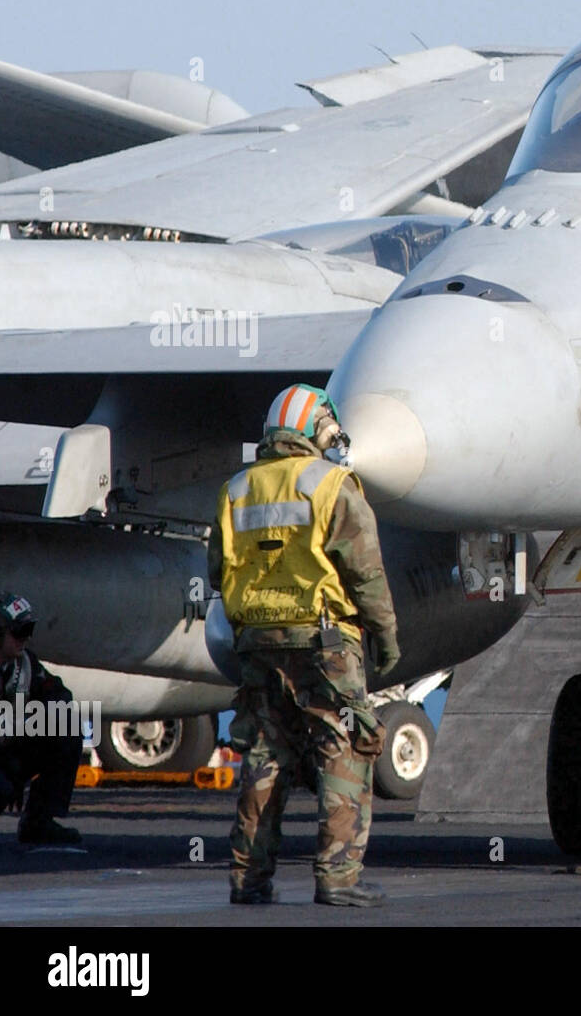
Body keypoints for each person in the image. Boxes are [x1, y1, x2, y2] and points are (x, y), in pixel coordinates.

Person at [210, 383, 400, 906]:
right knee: (345, 749)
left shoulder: (237, 489)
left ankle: (248, 879)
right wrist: (385, 635)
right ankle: (338, 878)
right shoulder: (332, 484)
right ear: (318, 429)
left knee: (265, 757)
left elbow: (216, 570)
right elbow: (365, 573)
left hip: (256, 643)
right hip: (325, 643)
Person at [0, 593, 82, 845]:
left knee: (66, 729)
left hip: (5, 751)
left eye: (28, 630)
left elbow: (59, 694)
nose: (26, 638)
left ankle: (39, 821)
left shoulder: (24, 665)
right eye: (19, 631)